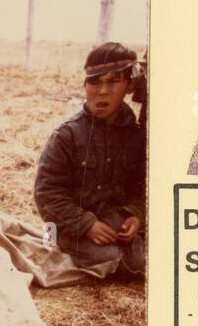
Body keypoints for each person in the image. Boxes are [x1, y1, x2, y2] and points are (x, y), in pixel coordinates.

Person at [33, 42, 146, 275]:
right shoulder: (67, 135)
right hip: (65, 226)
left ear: (129, 84)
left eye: (113, 81)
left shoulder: (136, 136)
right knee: (109, 258)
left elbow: (140, 188)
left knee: (138, 261)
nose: (102, 91)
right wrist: (87, 225)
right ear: (85, 85)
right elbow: (47, 196)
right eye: (95, 82)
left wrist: (137, 216)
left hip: (110, 222)